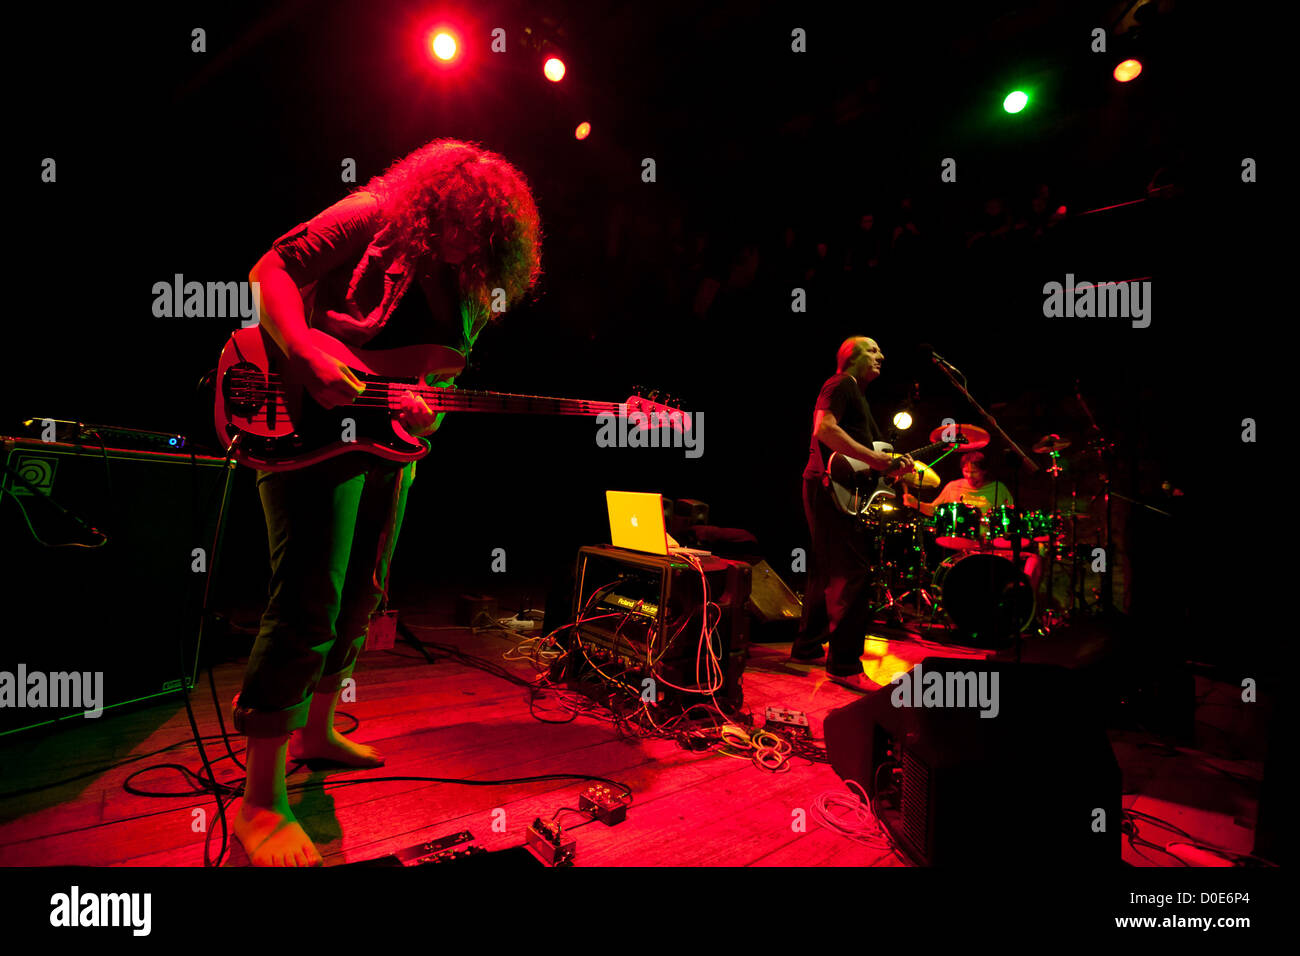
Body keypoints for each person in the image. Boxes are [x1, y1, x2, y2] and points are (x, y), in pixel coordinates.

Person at [231, 138, 542, 866]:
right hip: (301, 426)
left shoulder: (465, 288)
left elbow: (434, 387)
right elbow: (270, 269)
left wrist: (431, 409)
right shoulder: (372, 212)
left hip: (386, 449)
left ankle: (315, 732)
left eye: (485, 240)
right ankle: (260, 800)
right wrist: (305, 348)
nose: (470, 244)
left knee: (361, 597)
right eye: (465, 224)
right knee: (309, 598)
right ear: (442, 203)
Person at [794, 336, 913, 691]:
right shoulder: (840, 383)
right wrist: (877, 459)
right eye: (873, 350)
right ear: (850, 357)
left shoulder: (856, 393)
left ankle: (807, 647)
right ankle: (844, 666)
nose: (882, 355)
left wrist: (888, 466)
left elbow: (859, 452)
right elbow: (825, 429)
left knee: (826, 570)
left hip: (829, 486)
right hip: (827, 486)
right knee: (853, 573)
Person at [903, 450, 1042, 589]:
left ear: (984, 470)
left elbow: (1009, 519)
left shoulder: (998, 489)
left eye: (974, 472)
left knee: (1031, 561)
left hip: (990, 547)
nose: (969, 476)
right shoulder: (953, 486)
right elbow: (935, 511)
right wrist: (916, 504)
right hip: (960, 548)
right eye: (965, 471)